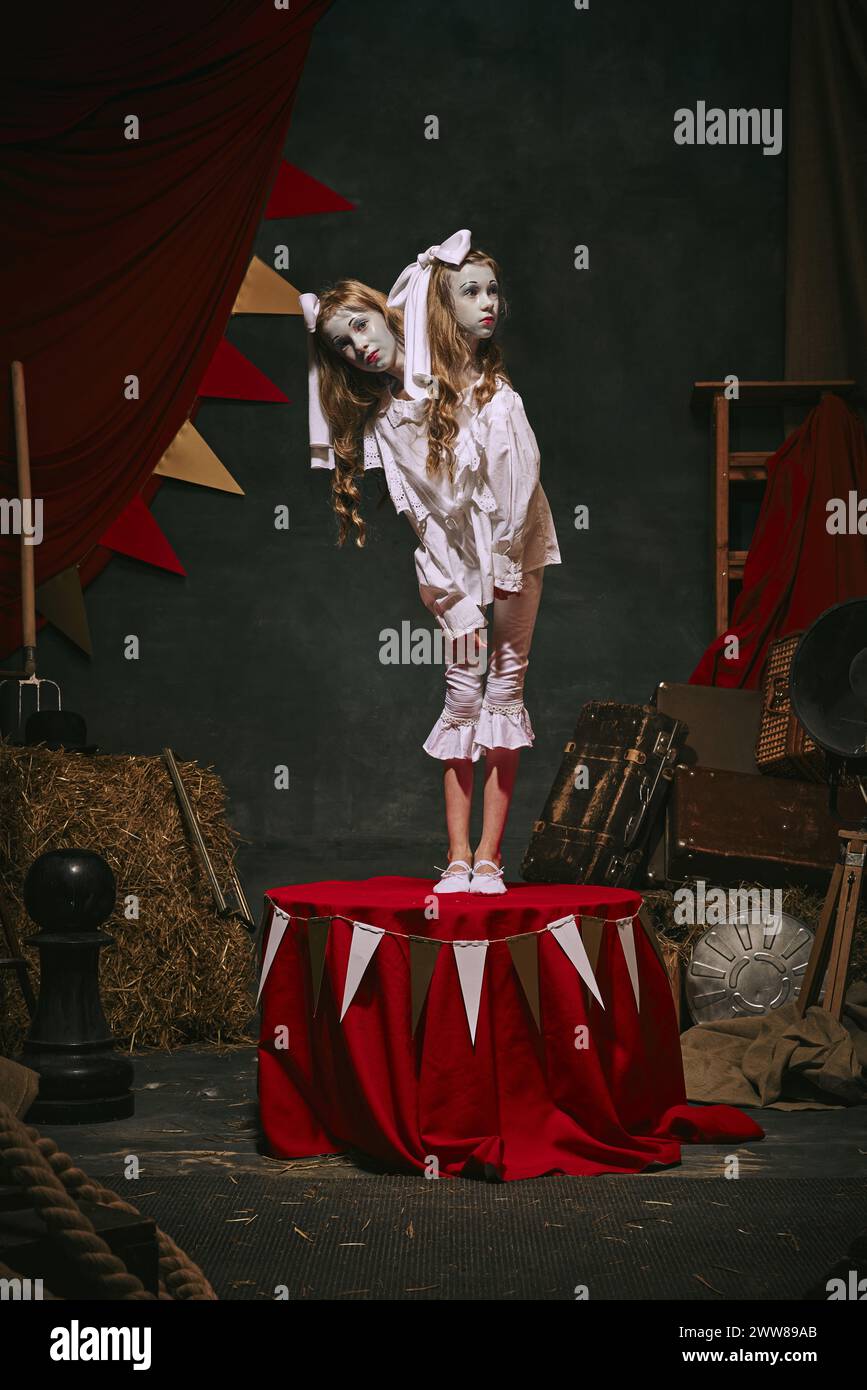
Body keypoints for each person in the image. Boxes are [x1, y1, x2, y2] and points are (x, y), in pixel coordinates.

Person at [301, 235, 560, 894]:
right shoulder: (382, 421)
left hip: (513, 549)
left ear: (388, 313)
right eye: (340, 342)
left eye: (360, 324)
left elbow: (516, 479)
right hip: (454, 571)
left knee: (504, 690)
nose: (358, 344)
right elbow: (421, 517)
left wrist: (504, 562)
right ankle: (454, 857)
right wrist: (453, 594)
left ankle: (488, 859)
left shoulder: (473, 382)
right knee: (459, 694)